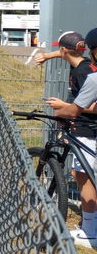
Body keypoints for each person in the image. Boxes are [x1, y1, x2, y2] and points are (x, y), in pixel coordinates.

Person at [43, 30, 97, 247]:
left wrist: (60, 109)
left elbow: (81, 108)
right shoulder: (85, 67)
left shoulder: (89, 76)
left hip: (87, 130)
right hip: (85, 128)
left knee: (83, 177)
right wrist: (47, 56)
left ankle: (90, 231)